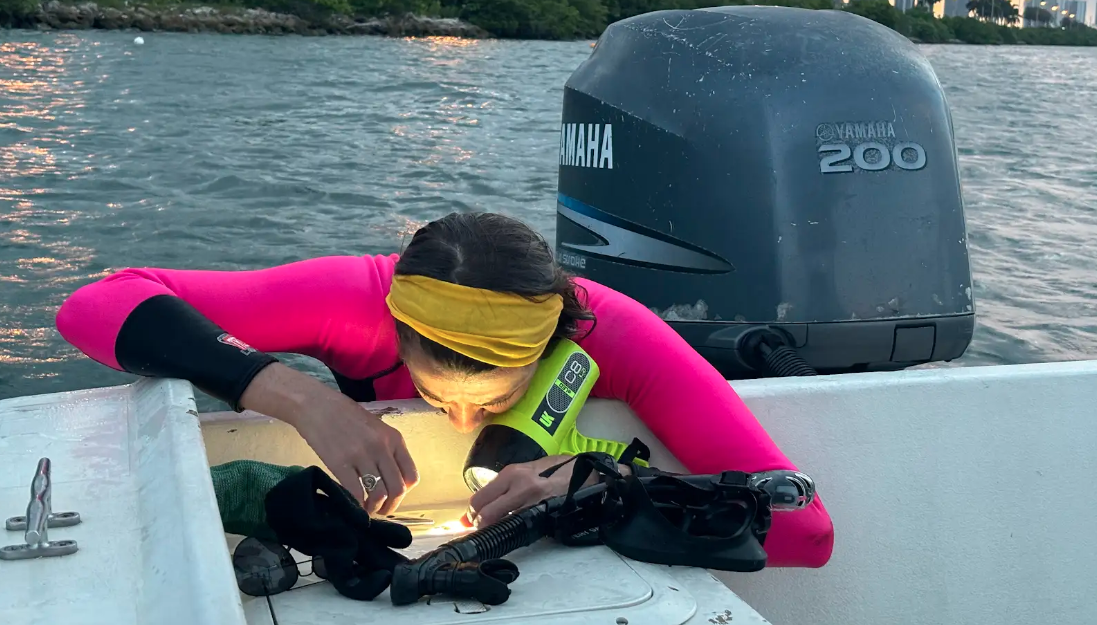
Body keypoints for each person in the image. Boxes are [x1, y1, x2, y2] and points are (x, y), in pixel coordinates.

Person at [55, 211, 834, 568]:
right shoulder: (355, 297)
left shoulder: (614, 332)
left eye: (493, 392)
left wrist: (605, 484)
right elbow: (97, 303)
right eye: (437, 384)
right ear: (393, 331)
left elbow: (807, 534)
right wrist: (295, 393)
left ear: (557, 343)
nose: (460, 414)